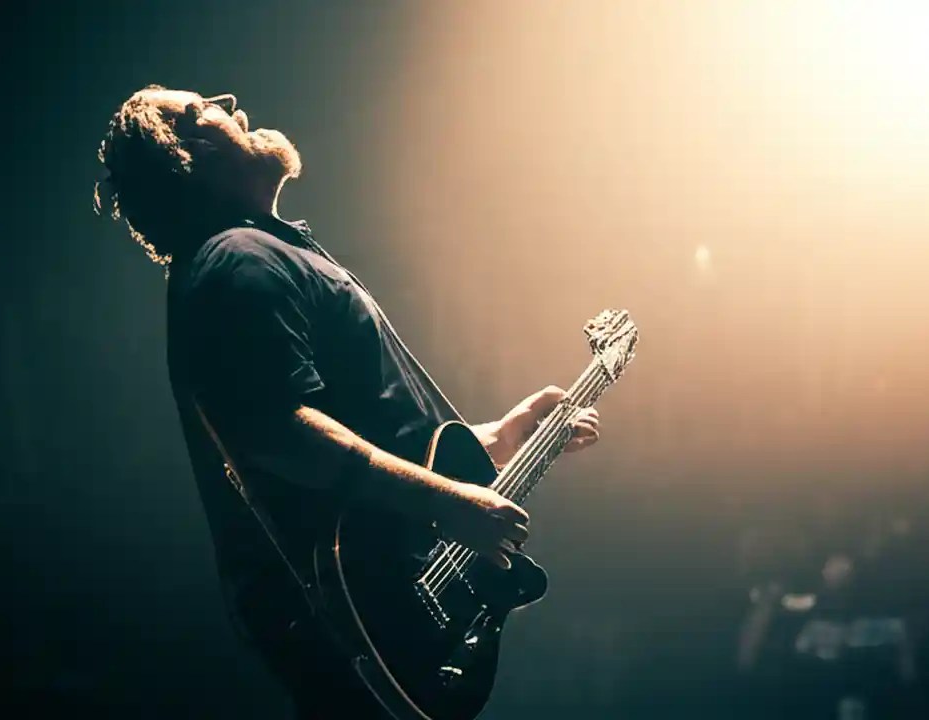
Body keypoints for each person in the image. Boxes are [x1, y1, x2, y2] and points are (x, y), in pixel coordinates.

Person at [93, 85, 602, 718]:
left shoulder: (259, 253)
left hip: (392, 602)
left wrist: (501, 435)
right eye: (206, 105)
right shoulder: (235, 259)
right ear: (190, 149)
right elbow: (280, 431)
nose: (232, 101)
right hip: (369, 617)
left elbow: (374, 440)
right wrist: (448, 501)